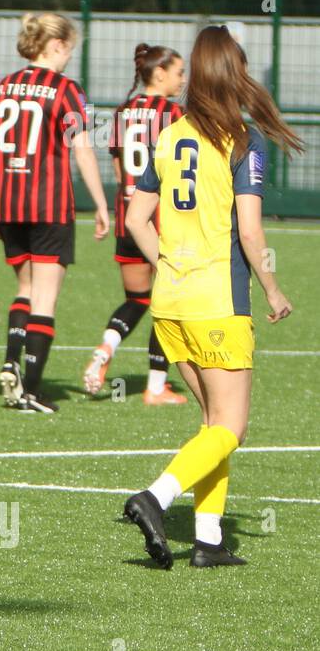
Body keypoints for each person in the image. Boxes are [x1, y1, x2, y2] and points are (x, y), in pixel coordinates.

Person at [122, 25, 302, 569]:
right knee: (231, 427)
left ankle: (208, 539)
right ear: (235, 72)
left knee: (212, 426)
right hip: (218, 302)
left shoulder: (171, 134)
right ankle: (155, 497)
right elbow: (249, 232)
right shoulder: (243, 140)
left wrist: (169, 263)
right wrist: (272, 286)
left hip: (171, 303)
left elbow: (135, 218)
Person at [0, 12, 110, 413]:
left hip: (9, 204)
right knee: (45, 298)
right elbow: (82, 148)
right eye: (70, 49)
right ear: (56, 46)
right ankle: (33, 392)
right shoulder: (66, 89)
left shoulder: (4, 86)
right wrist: (101, 203)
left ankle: (11, 361)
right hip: (49, 206)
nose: (70, 57)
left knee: (24, 287)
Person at [83, 44, 187, 404]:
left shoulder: (123, 113)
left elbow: (117, 166)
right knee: (167, 301)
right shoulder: (176, 115)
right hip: (161, 222)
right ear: (159, 74)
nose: (183, 79)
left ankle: (106, 348)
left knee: (137, 299)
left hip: (128, 218)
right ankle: (156, 386)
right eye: (178, 73)